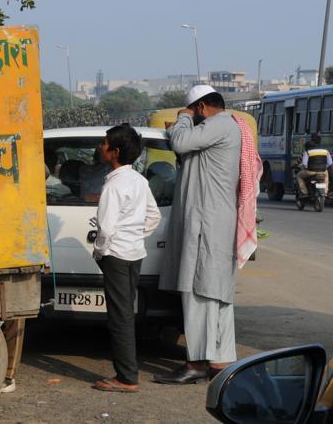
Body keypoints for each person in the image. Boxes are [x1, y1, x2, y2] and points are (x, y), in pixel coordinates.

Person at [155, 85, 241, 385]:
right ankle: (220, 361)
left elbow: (179, 142)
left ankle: (196, 363)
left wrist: (182, 118)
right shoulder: (225, 127)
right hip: (213, 219)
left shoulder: (216, 125)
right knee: (215, 294)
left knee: (198, 292)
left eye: (193, 111)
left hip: (207, 221)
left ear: (201, 107)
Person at [91, 124, 162, 393]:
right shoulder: (139, 180)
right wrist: (134, 234)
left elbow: (106, 229)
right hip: (134, 253)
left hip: (117, 255)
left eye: (105, 143)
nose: (101, 146)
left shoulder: (114, 185)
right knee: (125, 313)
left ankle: (126, 377)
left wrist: (100, 250)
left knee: (119, 316)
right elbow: (154, 216)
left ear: (115, 152)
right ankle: (127, 373)